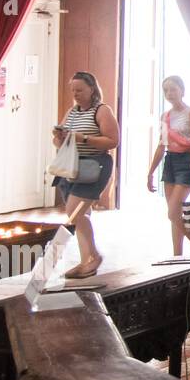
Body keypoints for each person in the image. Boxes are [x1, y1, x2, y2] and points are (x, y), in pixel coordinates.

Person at [51, 71, 119, 279]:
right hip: (72, 167)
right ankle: (86, 260)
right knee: (81, 215)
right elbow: (61, 141)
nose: (76, 94)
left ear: (92, 89)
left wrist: (84, 138)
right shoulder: (73, 111)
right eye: (73, 90)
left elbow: (112, 140)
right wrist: (59, 138)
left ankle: (94, 256)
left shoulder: (102, 110)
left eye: (80, 90)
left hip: (94, 166)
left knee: (75, 211)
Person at [145, 75, 190, 256]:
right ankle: (176, 255)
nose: (170, 93)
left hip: (187, 162)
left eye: (173, 89)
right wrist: (150, 173)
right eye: (166, 90)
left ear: (182, 90)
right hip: (170, 161)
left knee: (173, 212)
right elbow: (161, 144)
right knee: (175, 215)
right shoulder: (166, 116)